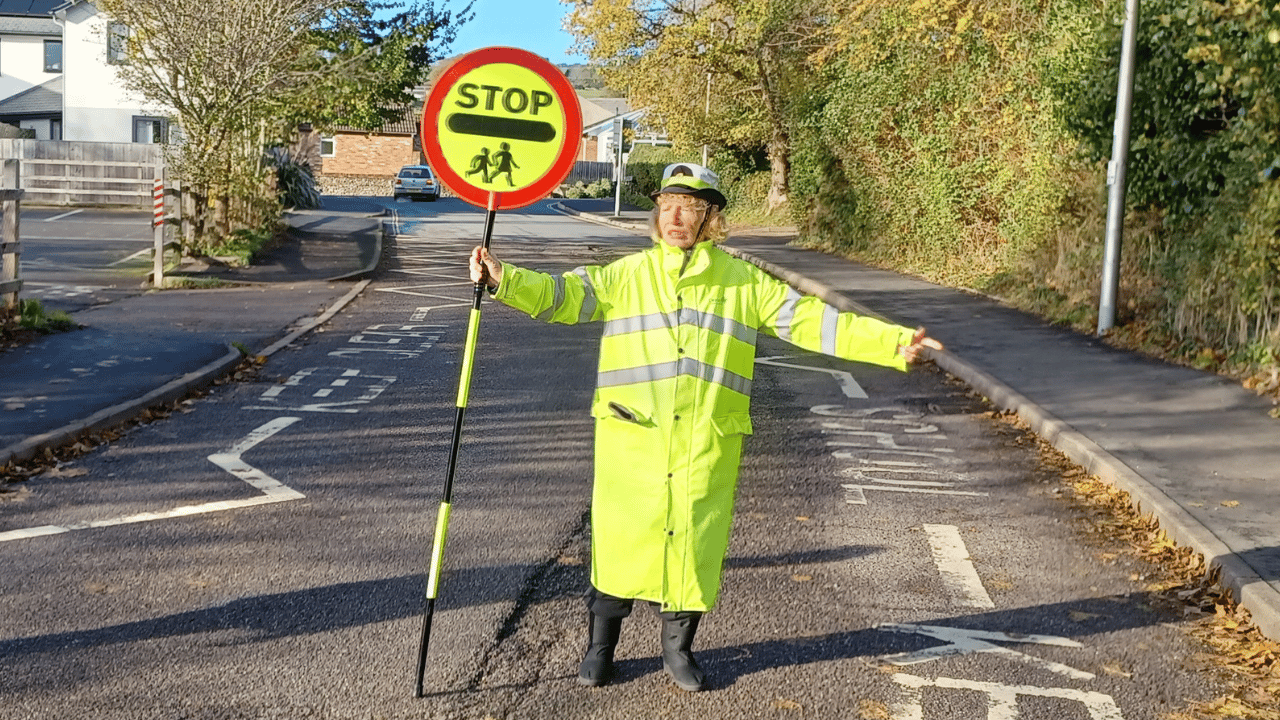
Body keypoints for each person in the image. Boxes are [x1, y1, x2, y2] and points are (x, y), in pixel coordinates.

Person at [468, 163, 942, 692]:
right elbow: (563, 295)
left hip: (704, 441)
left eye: (690, 207)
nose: (675, 216)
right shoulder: (628, 274)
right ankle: (600, 648)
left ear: (709, 218)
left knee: (692, 548)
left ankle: (678, 650)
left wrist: (891, 342)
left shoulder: (743, 282)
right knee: (620, 546)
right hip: (633, 441)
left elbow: (812, 320)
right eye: (667, 205)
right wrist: (504, 279)